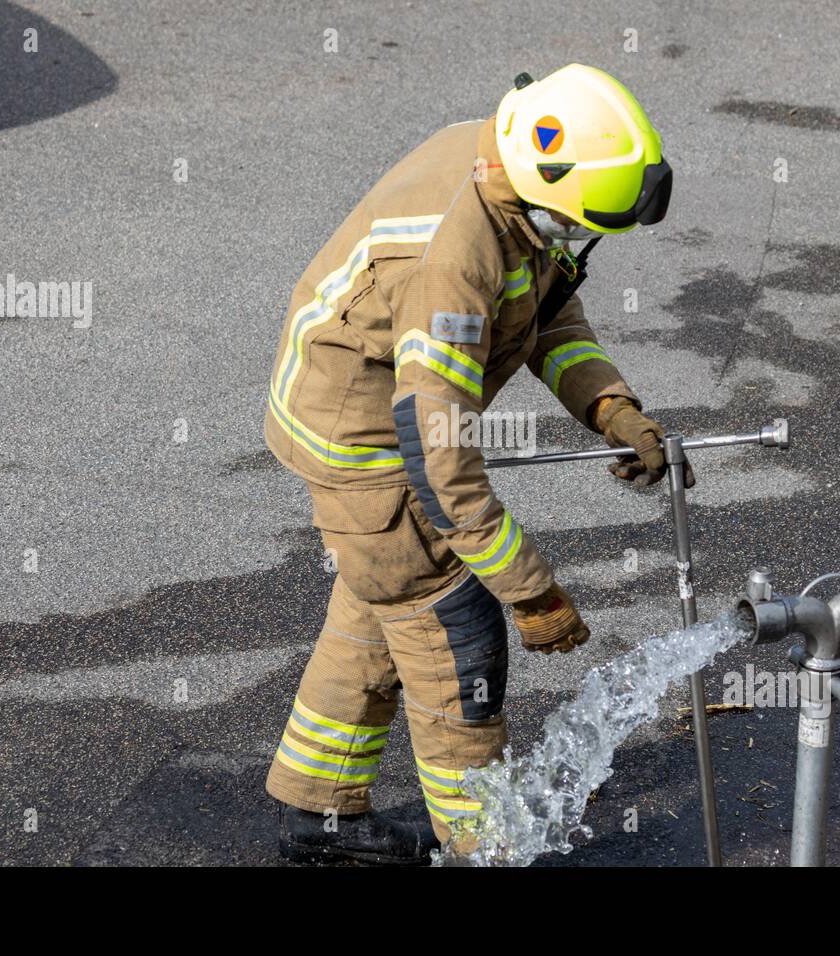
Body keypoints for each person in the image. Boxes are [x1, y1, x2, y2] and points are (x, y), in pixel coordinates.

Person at [263, 63, 682, 864]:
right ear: (541, 192)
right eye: (577, 227)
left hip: (373, 410)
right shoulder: (453, 264)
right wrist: (531, 590)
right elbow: (440, 463)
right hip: (362, 441)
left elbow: (548, 318)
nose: (579, 245)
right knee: (458, 633)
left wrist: (611, 407)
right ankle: (483, 847)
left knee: (384, 608)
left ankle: (316, 813)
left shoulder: (510, 179)